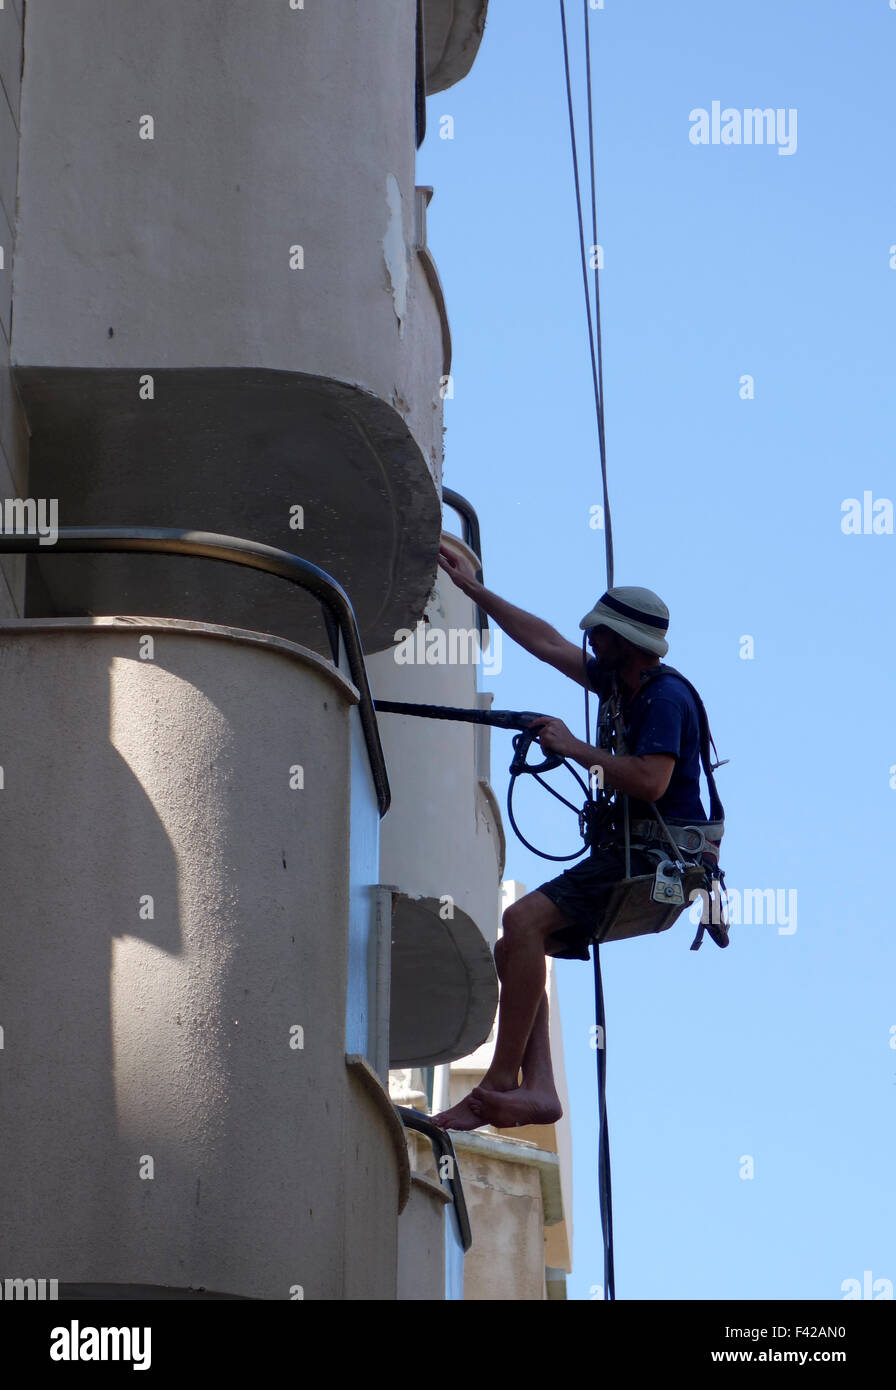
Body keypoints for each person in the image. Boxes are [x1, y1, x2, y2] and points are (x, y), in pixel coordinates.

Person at [431, 546, 720, 1132]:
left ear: (628, 644)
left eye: (603, 638)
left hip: (654, 856)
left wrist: (571, 745)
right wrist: (476, 593)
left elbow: (651, 778)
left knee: (524, 922)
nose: (592, 646)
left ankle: (498, 1085)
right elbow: (545, 641)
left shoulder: (663, 697)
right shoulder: (622, 684)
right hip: (632, 853)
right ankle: (538, 1090)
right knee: (516, 944)